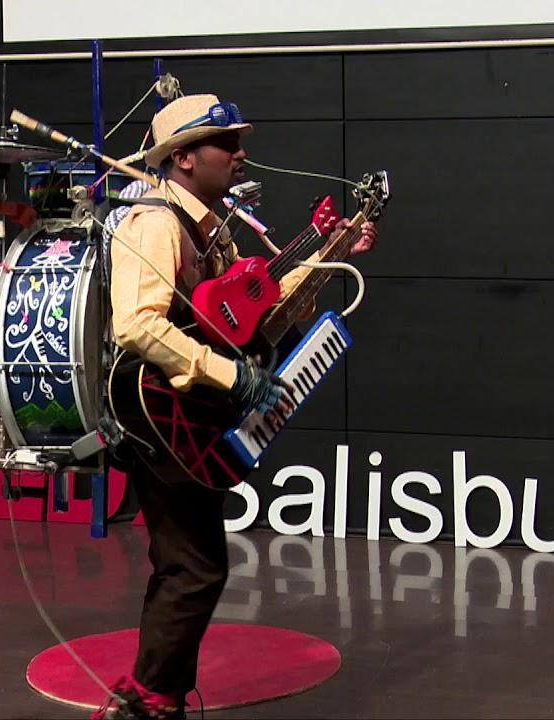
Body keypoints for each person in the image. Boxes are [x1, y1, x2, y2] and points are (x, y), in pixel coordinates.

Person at [93, 93, 378, 720]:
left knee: (187, 565)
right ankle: (144, 702)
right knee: (194, 567)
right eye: (228, 143)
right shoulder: (155, 222)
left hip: (190, 414)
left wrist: (331, 252)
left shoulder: (212, 226)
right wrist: (231, 378)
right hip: (163, 412)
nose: (241, 152)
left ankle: (152, 698)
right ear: (185, 157)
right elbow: (136, 327)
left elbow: (257, 318)